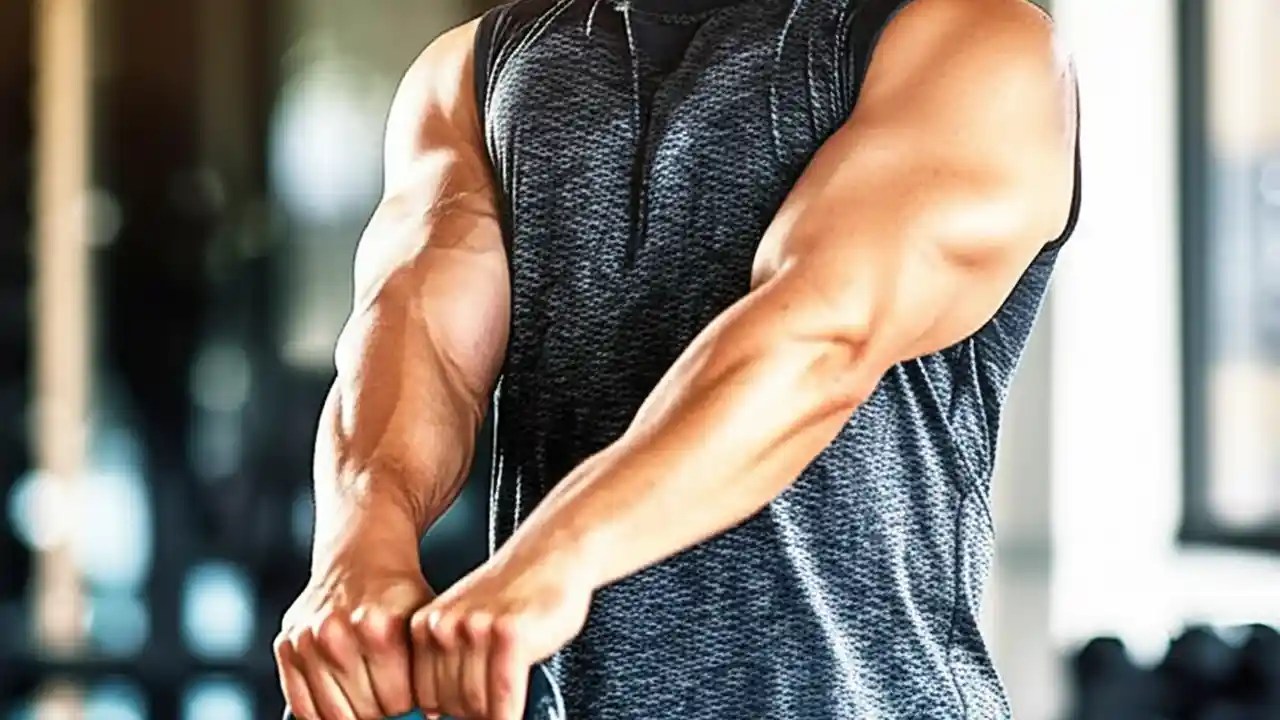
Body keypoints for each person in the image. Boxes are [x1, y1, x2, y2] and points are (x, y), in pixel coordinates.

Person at [273, 0, 1080, 717]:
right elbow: (424, 341)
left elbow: (820, 340)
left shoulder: (973, 44)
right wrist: (360, 543)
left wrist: (557, 556)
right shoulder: (477, 74)